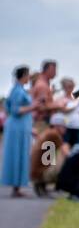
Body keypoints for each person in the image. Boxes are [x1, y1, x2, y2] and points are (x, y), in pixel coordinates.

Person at [3, 66, 37, 197]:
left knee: (20, 154)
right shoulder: (17, 90)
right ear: (23, 75)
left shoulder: (19, 89)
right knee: (17, 154)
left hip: (21, 126)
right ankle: (16, 187)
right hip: (17, 127)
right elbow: (16, 110)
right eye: (28, 75)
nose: (29, 77)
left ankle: (17, 187)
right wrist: (33, 106)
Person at [30, 112, 69, 197]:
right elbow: (66, 153)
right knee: (66, 160)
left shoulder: (47, 132)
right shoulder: (54, 134)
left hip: (35, 171)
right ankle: (42, 181)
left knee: (53, 156)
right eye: (64, 126)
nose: (66, 128)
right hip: (39, 172)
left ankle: (41, 183)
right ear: (57, 125)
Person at [59, 77, 79, 147]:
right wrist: (77, 104)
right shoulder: (62, 98)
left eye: (72, 86)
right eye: (69, 87)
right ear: (64, 87)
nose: (70, 88)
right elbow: (64, 110)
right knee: (66, 147)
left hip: (77, 126)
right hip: (67, 127)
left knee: (76, 147)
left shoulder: (76, 99)